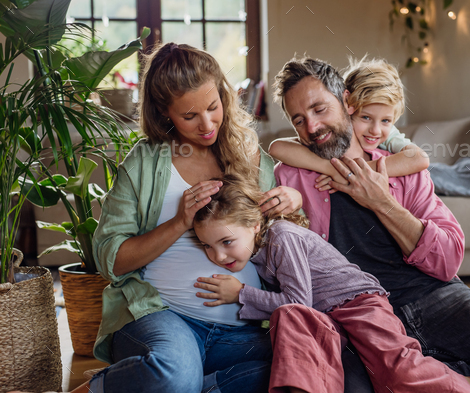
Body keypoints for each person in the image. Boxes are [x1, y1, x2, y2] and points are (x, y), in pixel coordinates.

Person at [271, 56, 470, 393]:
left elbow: (448, 258)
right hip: (361, 320)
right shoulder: (292, 174)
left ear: (347, 101)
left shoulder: (404, 168)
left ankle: (459, 362)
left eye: (320, 110)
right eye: (299, 120)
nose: (312, 127)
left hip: (434, 298)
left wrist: (381, 201)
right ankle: (459, 370)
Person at [79, 43, 303, 393]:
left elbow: (281, 241)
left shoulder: (249, 156)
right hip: (161, 317)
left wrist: (292, 201)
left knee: (310, 362)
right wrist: (179, 223)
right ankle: (110, 386)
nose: (207, 124)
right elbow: (111, 259)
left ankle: (192, 386)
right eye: (189, 116)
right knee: (174, 373)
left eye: (213, 107)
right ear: (164, 113)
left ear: (224, 96)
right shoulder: (147, 162)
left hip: (241, 329)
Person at [191, 175, 470, 393]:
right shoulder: (256, 251)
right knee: (295, 331)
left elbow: (298, 301)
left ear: (254, 224)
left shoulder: (280, 237)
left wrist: (241, 294)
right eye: (207, 247)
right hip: (327, 318)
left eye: (226, 242)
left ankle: (466, 384)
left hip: (357, 302)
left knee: (397, 371)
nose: (218, 255)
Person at [268, 57, 428, 193]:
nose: (375, 130)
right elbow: (276, 148)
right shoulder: (327, 135)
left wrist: (354, 172)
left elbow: (420, 158)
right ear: (350, 107)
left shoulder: (388, 136)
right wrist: (334, 170)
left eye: (386, 120)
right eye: (365, 117)